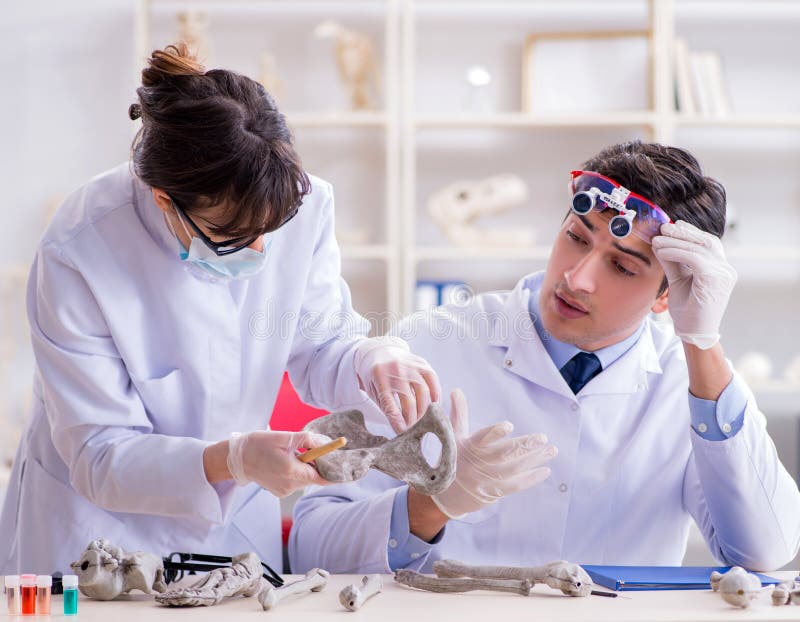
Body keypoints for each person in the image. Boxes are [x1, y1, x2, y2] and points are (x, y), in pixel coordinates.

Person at [0, 43, 440, 576]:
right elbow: (100, 453)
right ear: (164, 198)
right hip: (99, 528)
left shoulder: (302, 203)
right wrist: (231, 459)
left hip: (236, 520)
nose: (259, 254)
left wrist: (371, 358)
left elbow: (320, 343)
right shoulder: (80, 248)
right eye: (231, 237)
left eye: (269, 234)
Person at [290, 141, 800, 574]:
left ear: (667, 296)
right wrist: (429, 507)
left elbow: (763, 550)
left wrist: (703, 344)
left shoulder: (687, 386)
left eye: (622, 267)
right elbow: (310, 543)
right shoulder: (430, 346)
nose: (577, 278)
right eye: (576, 238)